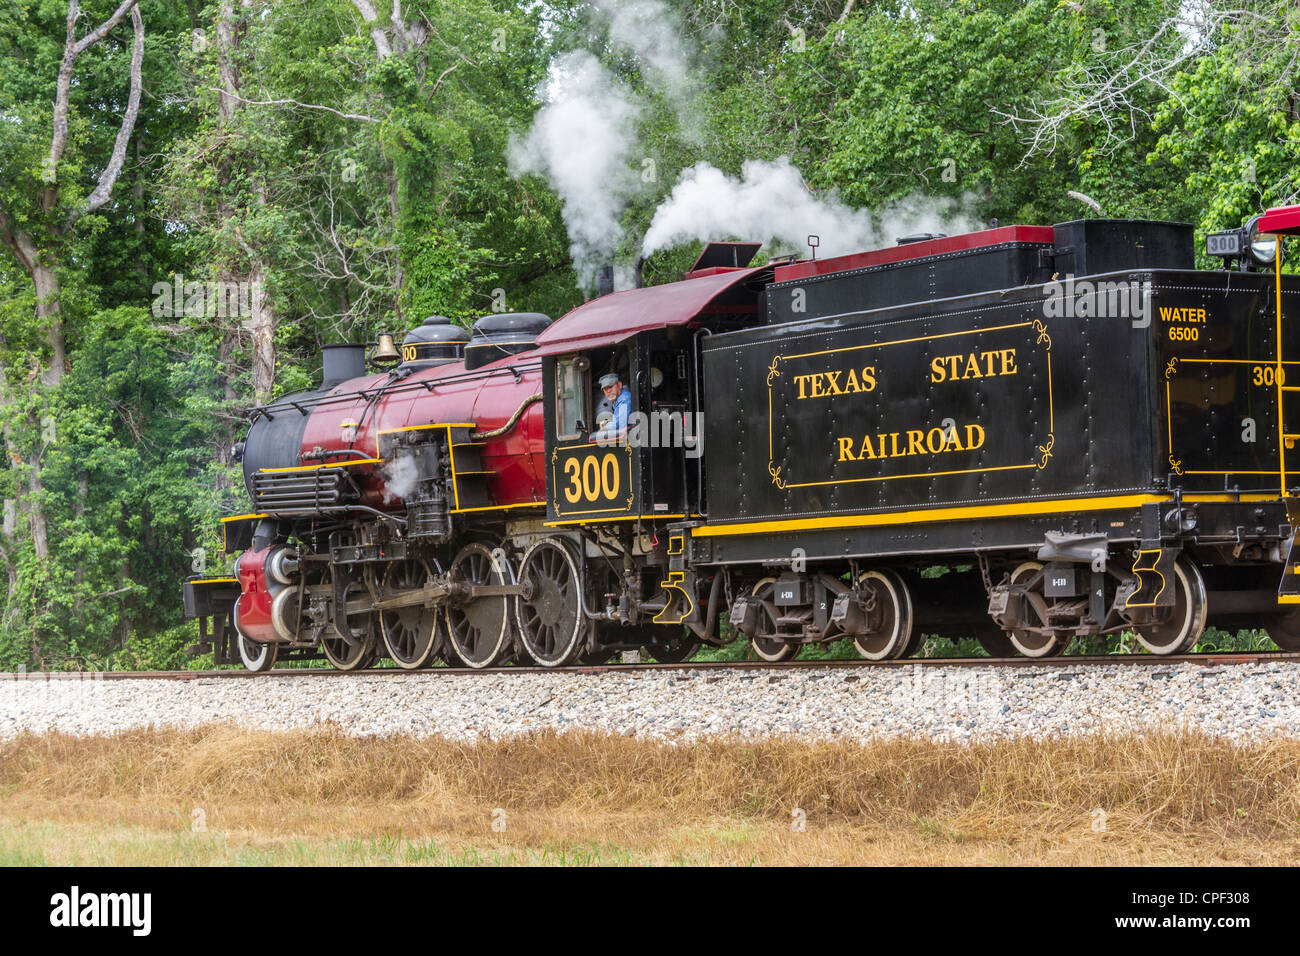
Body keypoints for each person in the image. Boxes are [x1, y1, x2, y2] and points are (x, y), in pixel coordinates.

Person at [593, 372, 630, 442]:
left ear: (619, 385)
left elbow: (618, 424)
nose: (608, 391)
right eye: (605, 389)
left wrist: (604, 427)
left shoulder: (624, 399)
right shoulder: (618, 399)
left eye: (610, 387)